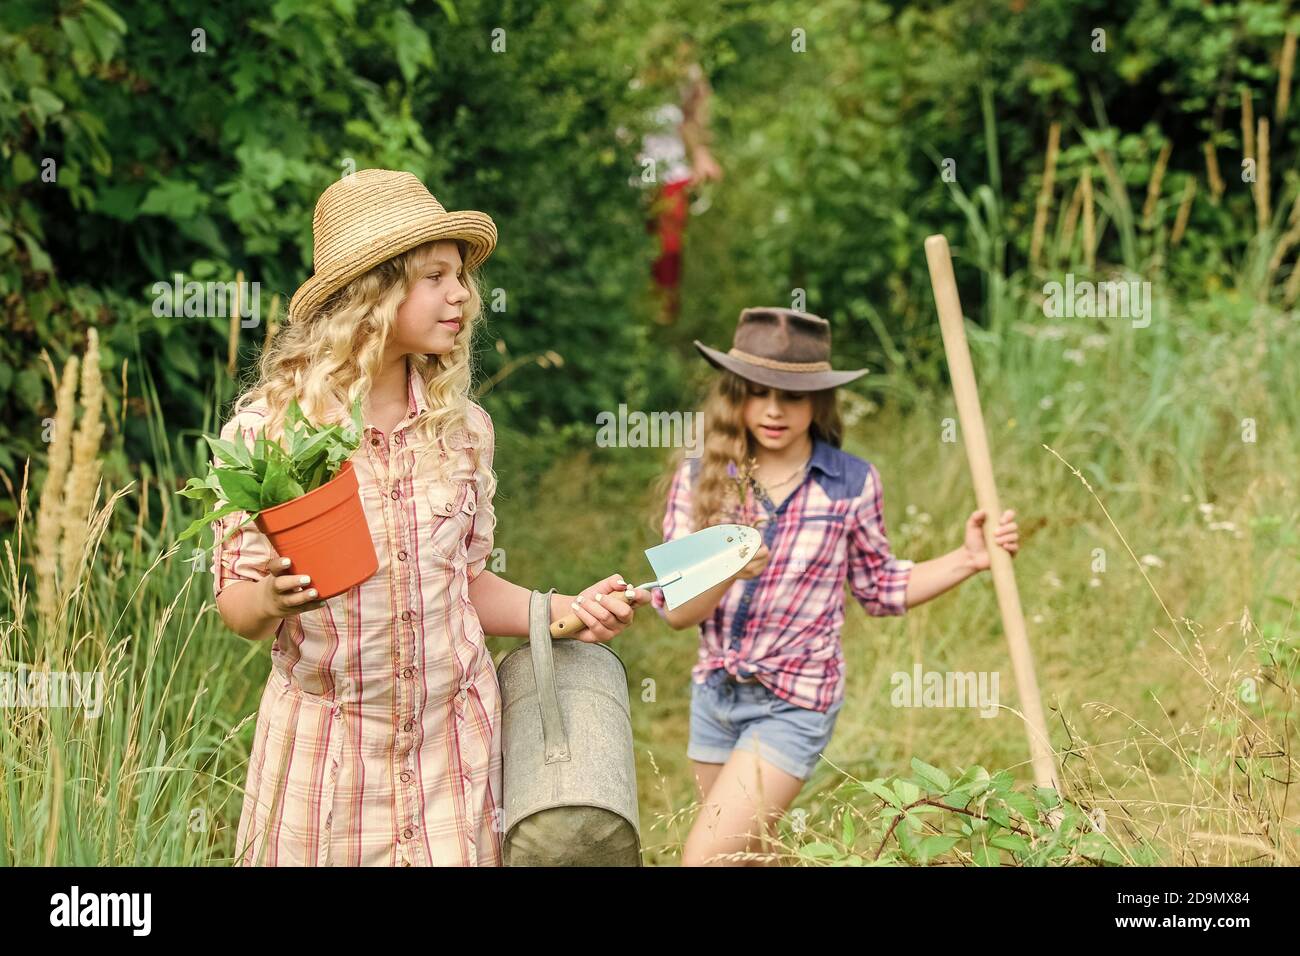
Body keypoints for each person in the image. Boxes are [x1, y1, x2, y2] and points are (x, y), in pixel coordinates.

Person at [210, 169, 651, 866]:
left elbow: (466, 583)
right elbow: (236, 606)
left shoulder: (462, 430)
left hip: (452, 750)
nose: (463, 296)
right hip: (328, 761)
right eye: (437, 276)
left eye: (464, 277)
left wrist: (564, 608)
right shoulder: (270, 436)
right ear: (372, 295)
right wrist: (268, 596)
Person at [651, 307, 1021, 866]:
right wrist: (730, 563)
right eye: (757, 392)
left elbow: (880, 588)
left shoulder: (850, 484)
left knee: (704, 859)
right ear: (736, 396)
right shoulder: (702, 476)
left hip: (794, 702)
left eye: (793, 396)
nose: (774, 410)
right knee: (750, 858)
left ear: (818, 401)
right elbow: (677, 614)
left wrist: (967, 559)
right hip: (717, 696)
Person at [638, 40, 723, 326]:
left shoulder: (688, 76)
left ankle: (662, 311)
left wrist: (701, 154)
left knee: (668, 245)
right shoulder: (629, 66)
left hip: (669, 172)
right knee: (641, 242)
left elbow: (693, 118)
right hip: (629, 173)